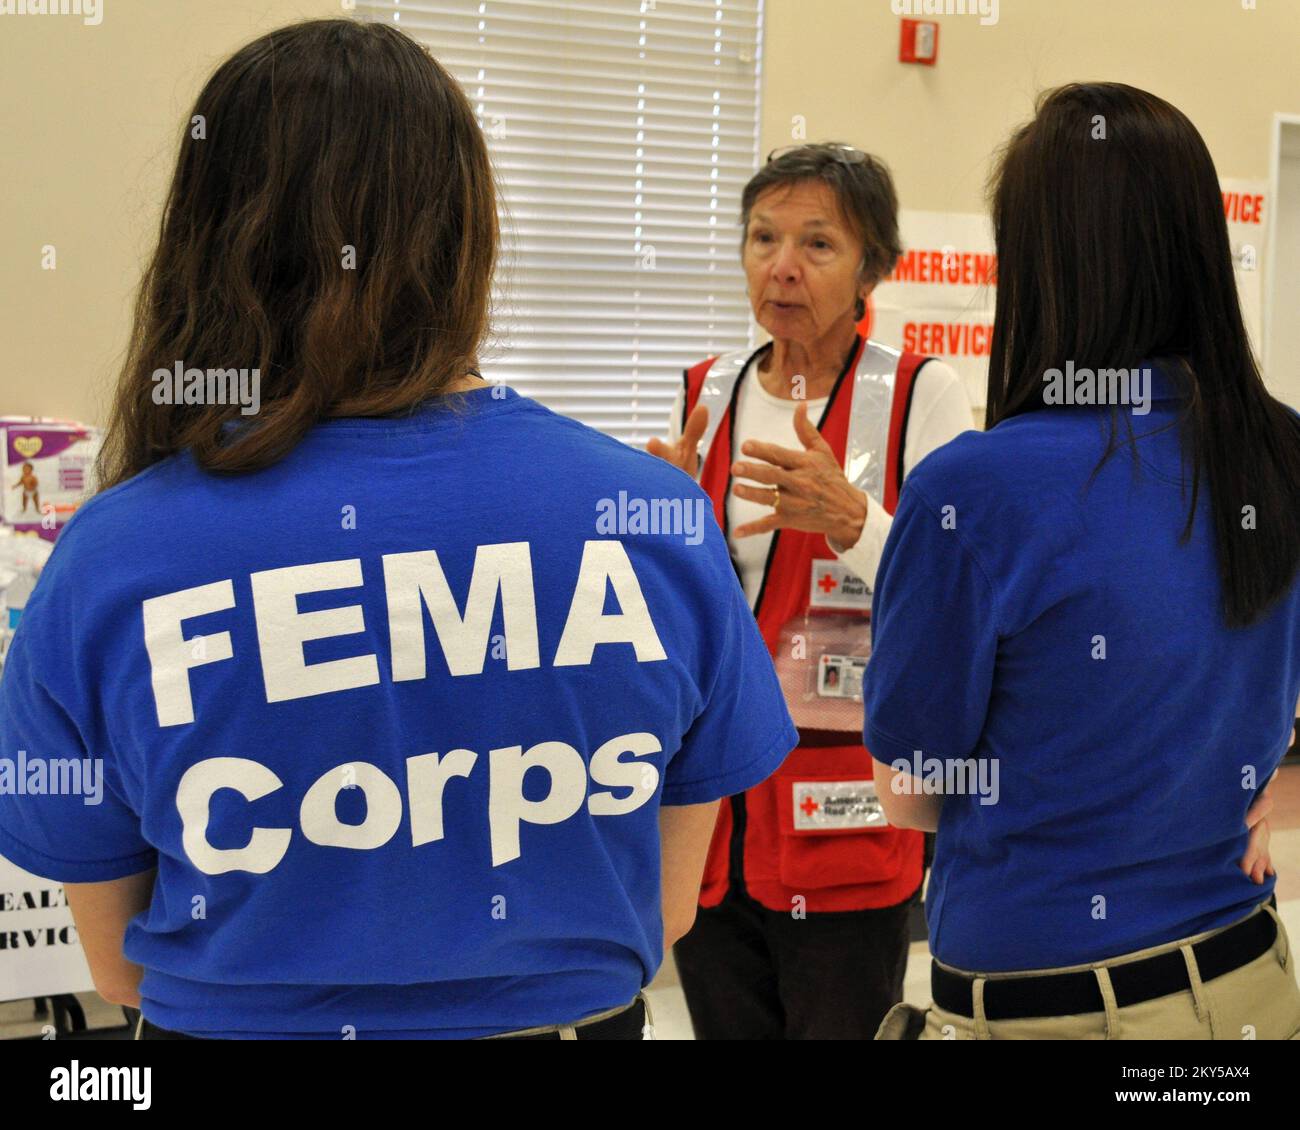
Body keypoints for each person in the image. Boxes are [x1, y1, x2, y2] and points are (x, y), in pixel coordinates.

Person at [0, 18, 797, 1041]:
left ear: (205, 239)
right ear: (468, 231)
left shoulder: (113, 557)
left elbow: (118, 962)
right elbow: (666, 908)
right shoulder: (652, 521)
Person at [867, 82, 1300, 1040]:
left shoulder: (974, 492)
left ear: (1038, 263)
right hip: (1251, 984)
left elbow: (908, 792)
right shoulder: (1281, 452)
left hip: (1055, 1010)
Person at [647, 143, 973, 1039]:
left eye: (817, 244)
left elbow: (959, 590)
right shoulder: (707, 388)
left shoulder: (921, 392)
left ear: (873, 267)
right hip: (713, 805)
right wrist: (662, 531)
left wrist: (855, 521)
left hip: (845, 811)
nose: (781, 266)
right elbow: (691, 601)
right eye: (763, 238)